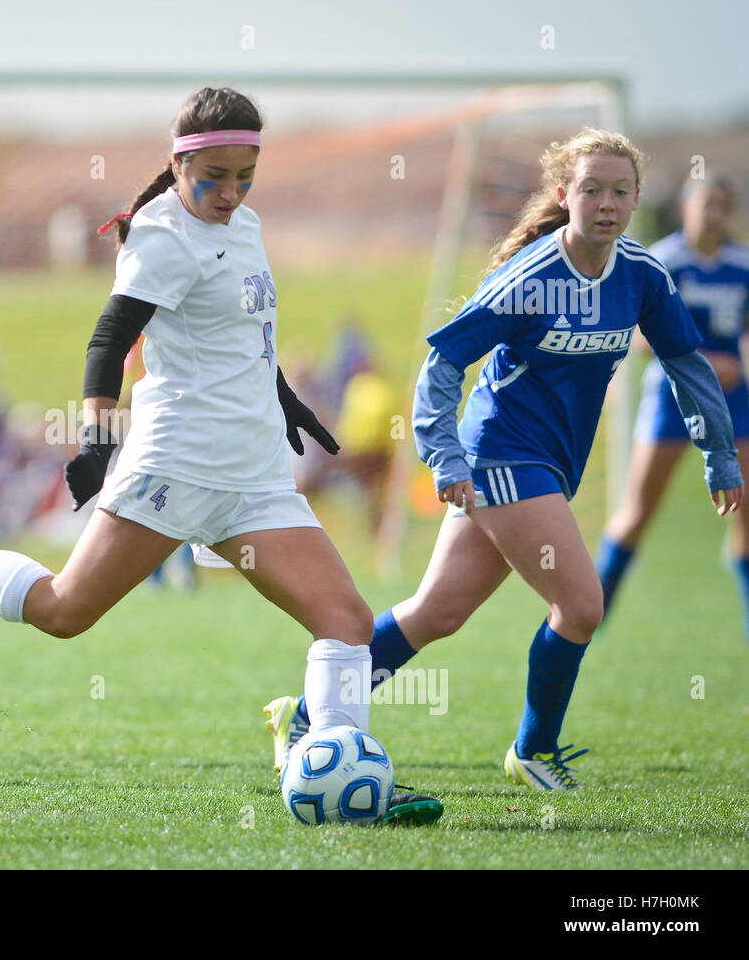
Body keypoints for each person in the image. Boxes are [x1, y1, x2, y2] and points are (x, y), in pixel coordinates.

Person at [0, 86, 443, 825]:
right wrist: (97, 438)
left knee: (346, 620)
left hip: (254, 478)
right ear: (180, 164)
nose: (232, 192)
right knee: (63, 610)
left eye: (246, 175)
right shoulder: (160, 233)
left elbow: (241, 332)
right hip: (175, 466)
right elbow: (110, 339)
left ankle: (345, 776)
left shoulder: (246, 225)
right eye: (216, 177)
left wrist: (283, 396)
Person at [263, 128, 743, 791]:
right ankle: (533, 750)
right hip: (501, 453)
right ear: (564, 195)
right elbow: (444, 360)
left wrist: (719, 454)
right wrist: (444, 455)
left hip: (547, 464)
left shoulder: (642, 275)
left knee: (437, 612)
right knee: (581, 605)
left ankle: (308, 713)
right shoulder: (534, 275)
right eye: (591, 189)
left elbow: (686, 364)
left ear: (636, 201)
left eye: (620, 191)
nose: (606, 202)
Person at [596, 176, 749, 633]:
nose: (714, 213)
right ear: (685, 207)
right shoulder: (663, 260)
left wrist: (738, 365)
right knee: (638, 511)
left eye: (723, 205)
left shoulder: (741, 265)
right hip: (672, 396)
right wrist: (699, 361)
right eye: (707, 203)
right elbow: (637, 332)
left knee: (745, 514)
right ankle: (591, 615)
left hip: (733, 400)